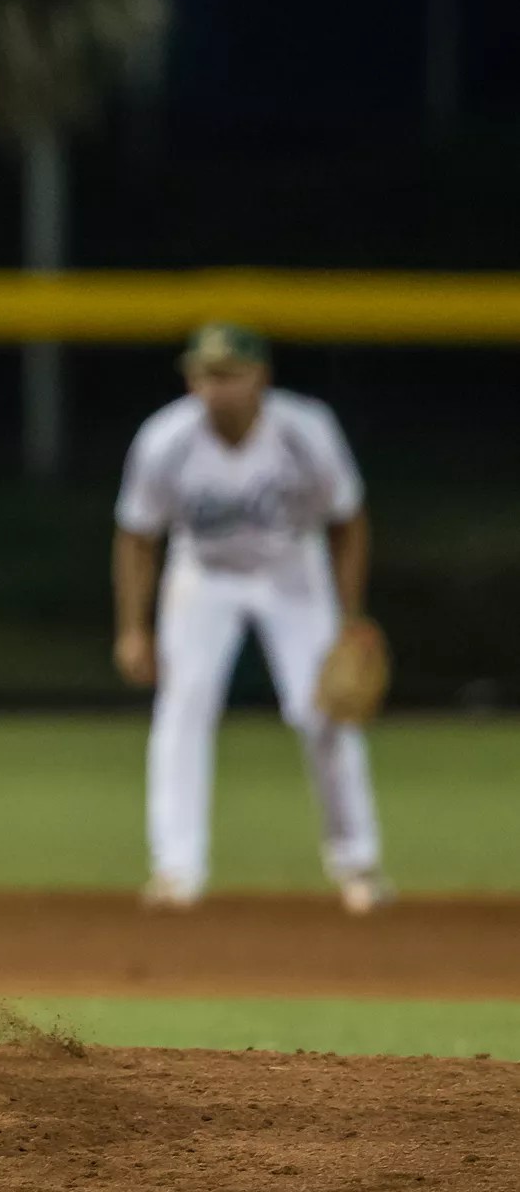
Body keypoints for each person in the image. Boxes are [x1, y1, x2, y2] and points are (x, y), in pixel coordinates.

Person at [113, 322, 389, 915]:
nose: (219, 388)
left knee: (323, 711)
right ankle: (176, 870)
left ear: (261, 377)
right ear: (191, 379)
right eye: (207, 375)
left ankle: (357, 863)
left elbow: (347, 521)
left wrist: (351, 617)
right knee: (183, 706)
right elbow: (137, 537)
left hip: (293, 571)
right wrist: (134, 629)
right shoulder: (166, 438)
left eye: (231, 375)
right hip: (203, 574)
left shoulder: (304, 430)